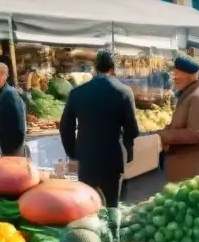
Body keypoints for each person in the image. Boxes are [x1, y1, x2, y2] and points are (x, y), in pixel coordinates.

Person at [59, 49, 139, 206]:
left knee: (88, 205)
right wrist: (128, 150)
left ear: (95, 67)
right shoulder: (124, 91)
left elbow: (65, 127)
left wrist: (73, 152)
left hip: (87, 158)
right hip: (112, 157)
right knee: (111, 205)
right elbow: (132, 130)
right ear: (114, 67)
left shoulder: (77, 92)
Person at [159, 55, 199, 182]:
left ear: (191, 76)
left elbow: (198, 133)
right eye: (173, 73)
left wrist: (164, 135)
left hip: (192, 170)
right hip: (188, 167)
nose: (174, 77)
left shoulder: (197, 97)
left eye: (177, 74)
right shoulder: (191, 93)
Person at [0, 62, 27, 157]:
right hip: (2, 149)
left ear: (5, 76)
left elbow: (19, 127)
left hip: (10, 151)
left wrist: (9, 152)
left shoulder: (10, 95)